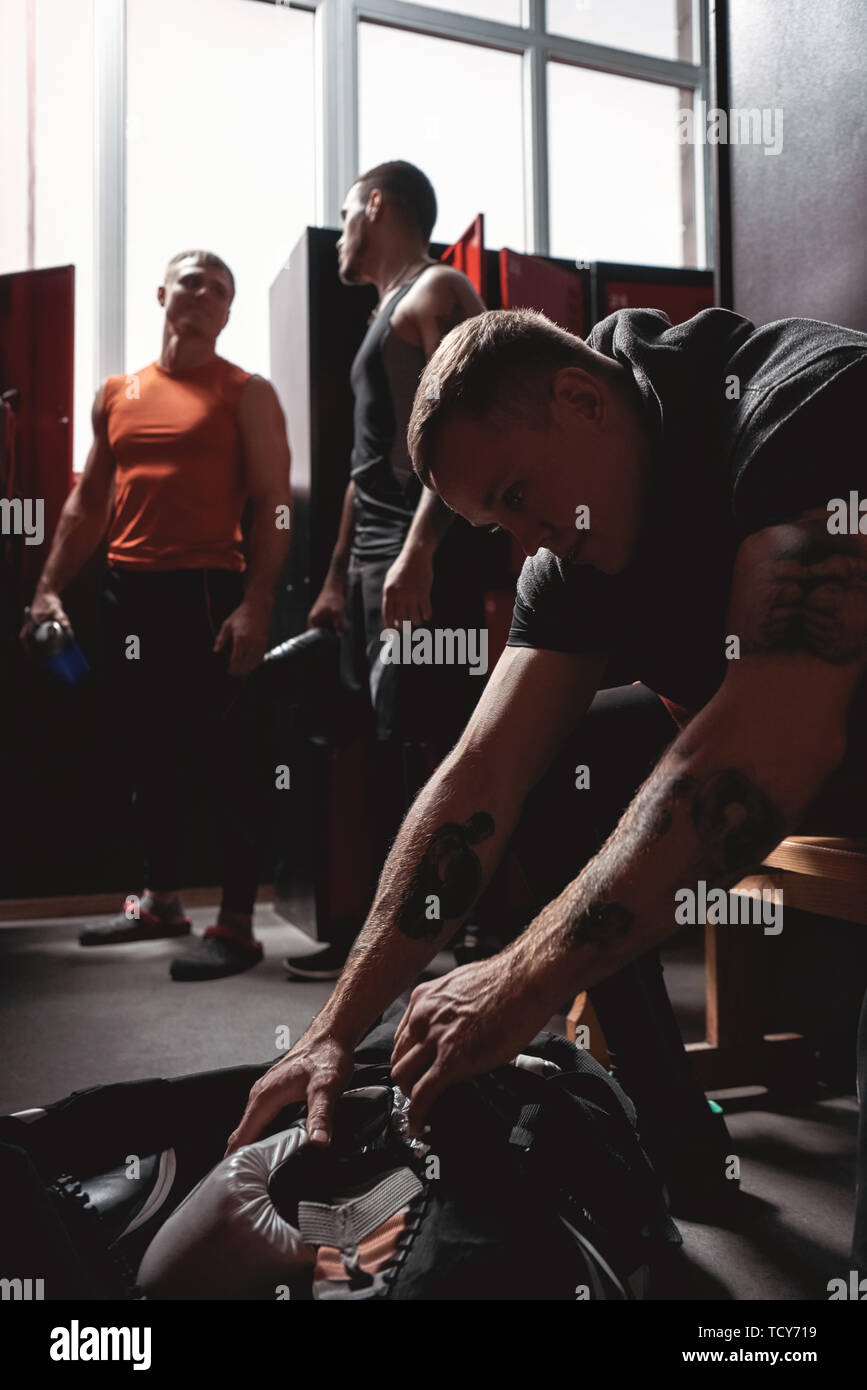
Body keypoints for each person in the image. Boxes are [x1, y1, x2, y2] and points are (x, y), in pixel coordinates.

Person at [228, 302, 867, 1257]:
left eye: (521, 495)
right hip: (799, 752)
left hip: (808, 740)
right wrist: (335, 1026)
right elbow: (478, 775)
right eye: (499, 520)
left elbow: (774, 740)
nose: (528, 540)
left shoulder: (802, 404)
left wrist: (520, 980)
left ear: (580, 399)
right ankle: (672, 1133)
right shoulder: (569, 545)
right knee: (555, 765)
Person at [23, 250, 292, 981]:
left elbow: (273, 502)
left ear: (227, 312)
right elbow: (88, 503)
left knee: (225, 760)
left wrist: (258, 603)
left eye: (220, 290)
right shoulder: (118, 393)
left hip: (206, 593)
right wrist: (49, 587)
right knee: (146, 753)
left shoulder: (247, 392)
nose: (204, 295)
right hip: (127, 592)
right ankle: (161, 902)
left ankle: (236, 928)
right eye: (193, 282)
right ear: (162, 293)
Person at [284, 161, 486, 981]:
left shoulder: (438, 291)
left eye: (345, 214)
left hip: (419, 549)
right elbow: (366, 469)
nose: (340, 233)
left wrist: (421, 550)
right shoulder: (382, 312)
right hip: (372, 558)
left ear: (376, 206)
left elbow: (464, 427)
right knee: (382, 741)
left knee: (436, 740)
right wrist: (335, 577)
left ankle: (457, 931)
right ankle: (385, 933)